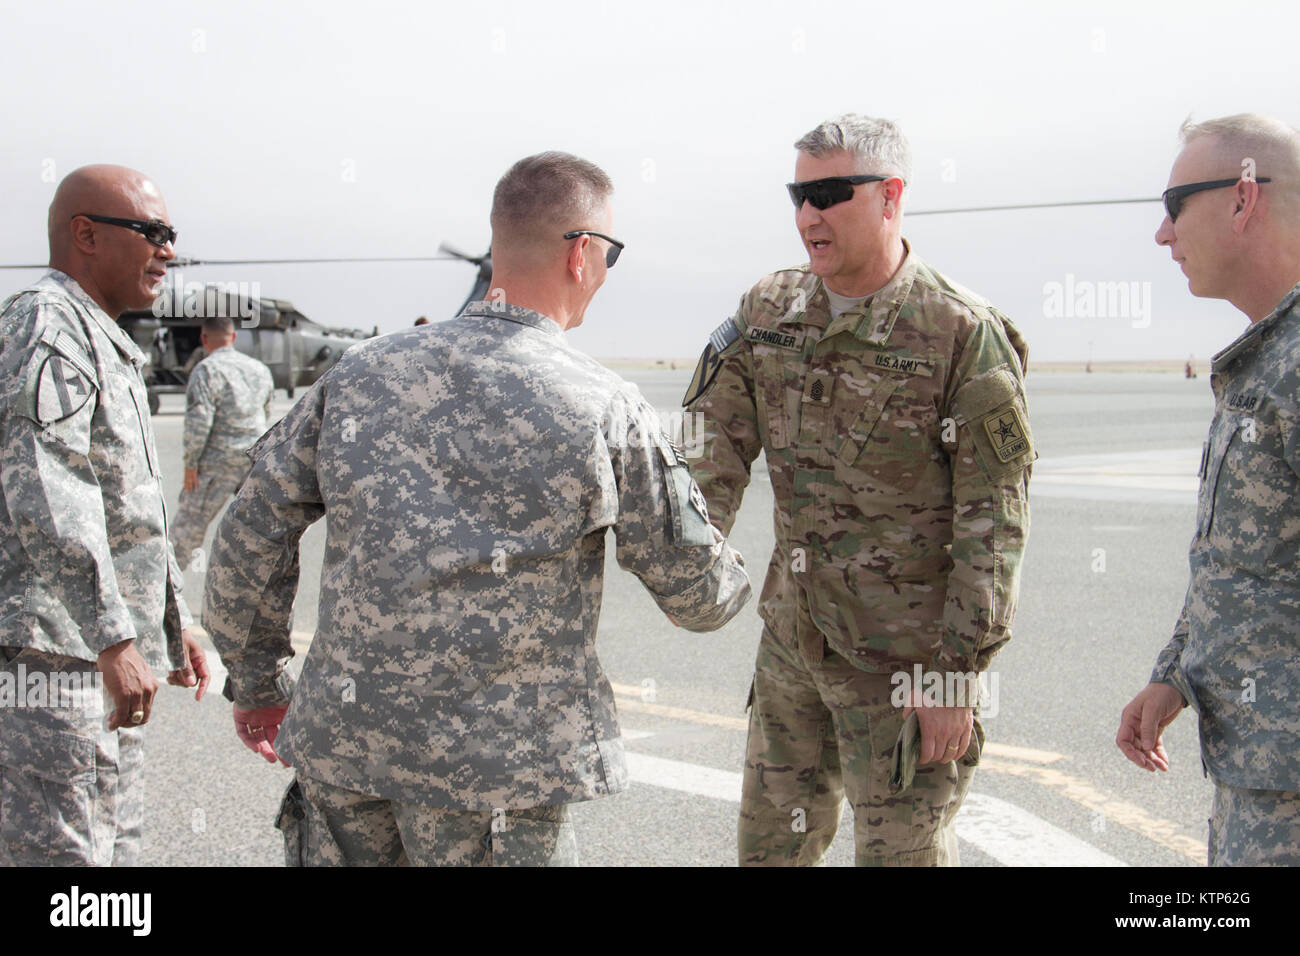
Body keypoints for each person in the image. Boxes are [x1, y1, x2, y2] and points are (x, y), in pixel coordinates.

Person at [203, 151, 751, 866]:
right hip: (497, 783)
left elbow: (247, 533)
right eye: (610, 253)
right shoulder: (602, 404)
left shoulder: (360, 374)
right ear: (582, 253)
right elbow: (699, 596)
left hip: (345, 757)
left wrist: (256, 682)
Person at [684, 114, 1035, 866]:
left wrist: (955, 673)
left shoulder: (959, 332)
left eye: (832, 192)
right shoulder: (769, 310)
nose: (810, 214)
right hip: (794, 644)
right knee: (769, 853)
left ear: (890, 196)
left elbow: (994, 522)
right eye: (799, 194)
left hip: (905, 662)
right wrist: (688, 556)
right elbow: (711, 443)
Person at [0, 165, 209, 866]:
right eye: (151, 232)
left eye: (171, 234)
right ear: (84, 234)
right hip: (53, 660)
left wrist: (169, 626)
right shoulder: (48, 324)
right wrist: (114, 635)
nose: (168, 251)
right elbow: (49, 488)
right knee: (65, 867)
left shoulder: (105, 341)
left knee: (107, 864)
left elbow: (129, 507)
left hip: (91, 654)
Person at [1117, 114, 1300, 866]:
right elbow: (1247, 554)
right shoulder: (1268, 362)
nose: (1163, 236)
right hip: (1260, 772)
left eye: (1174, 206)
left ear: (1242, 199)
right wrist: (1176, 673)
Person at [170, 314, 274, 571]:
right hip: (254, 461)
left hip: (217, 462)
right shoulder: (259, 369)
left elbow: (199, 421)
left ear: (204, 339)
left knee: (186, 532)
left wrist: (190, 465)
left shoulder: (206, 369)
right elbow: (266, 412)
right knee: (260, 534)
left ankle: (164, 595)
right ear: (234, 337)